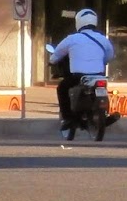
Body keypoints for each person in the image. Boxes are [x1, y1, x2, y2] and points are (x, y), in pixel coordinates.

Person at [49, 9, 119, 139]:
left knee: (62, 88)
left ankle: (67, 118)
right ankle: (102, 114)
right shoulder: (103, 39)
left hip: (79, 77)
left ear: (79, 22)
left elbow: (55, 56)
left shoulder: (72, 39)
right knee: (102, 88)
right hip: (98, 75)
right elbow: (109, 56)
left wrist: (51, 60)